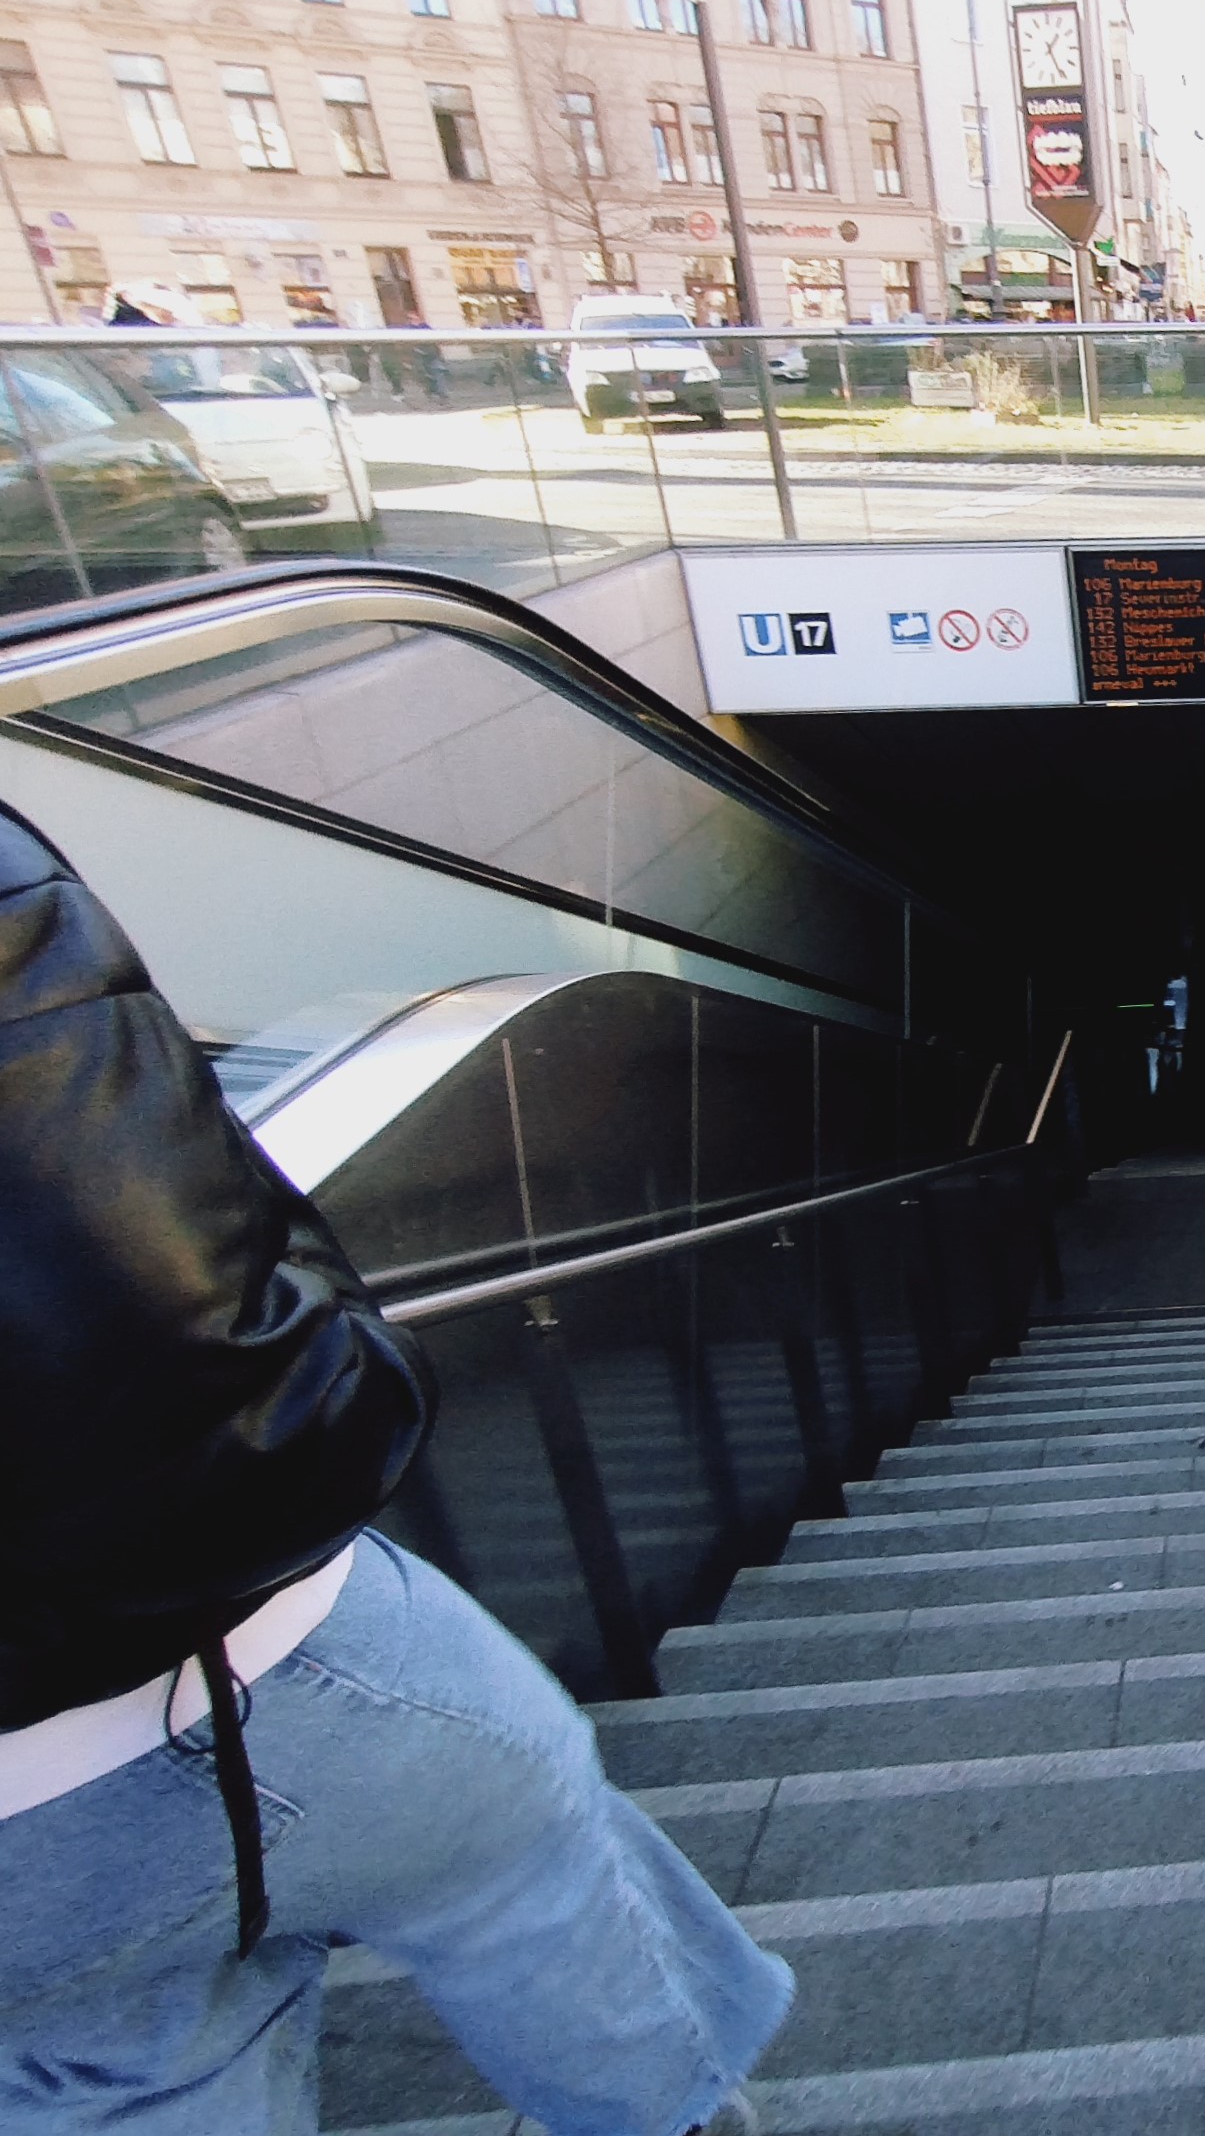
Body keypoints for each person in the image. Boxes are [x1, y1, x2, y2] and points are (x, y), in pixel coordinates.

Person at [0, 803, 791, 2134]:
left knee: (117, 2064)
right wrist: (354, 1340)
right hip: (271, 1669)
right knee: (538, 1877)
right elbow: (227, 1412)